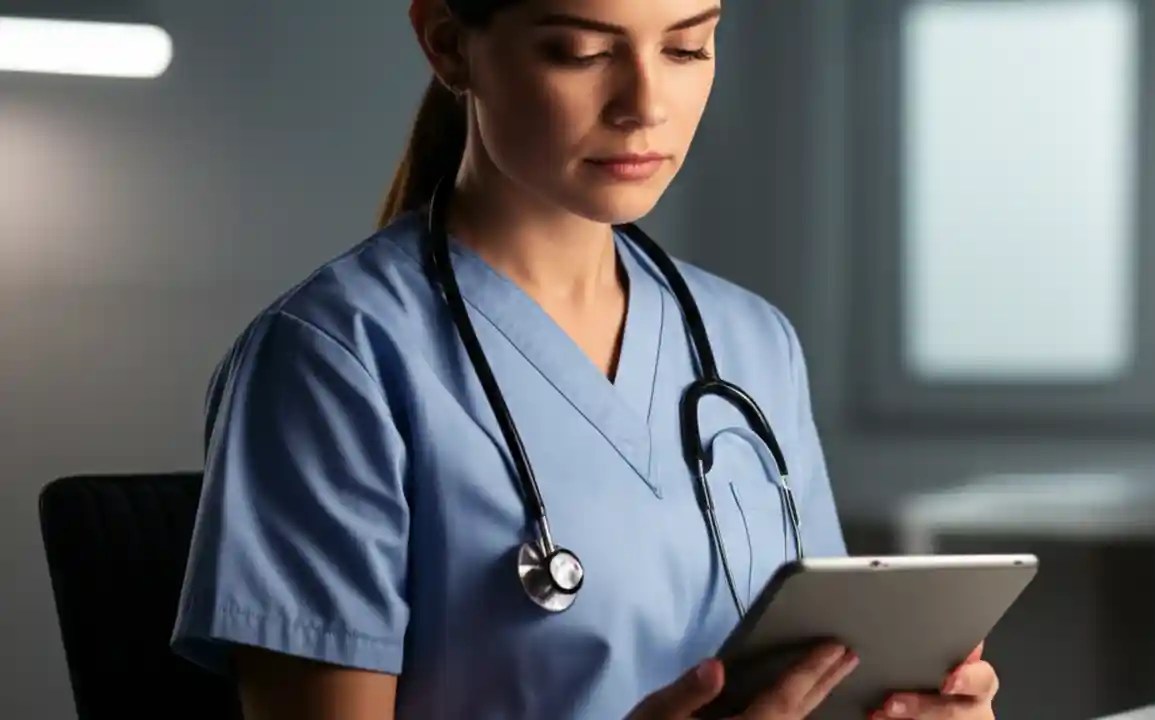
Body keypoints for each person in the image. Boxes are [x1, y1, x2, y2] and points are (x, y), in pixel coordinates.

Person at [170, 1, 1001, 718]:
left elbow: (825, 669)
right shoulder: (336, 360)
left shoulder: (754, 344)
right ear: (449, 43)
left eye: (686, 48)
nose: (645, 105)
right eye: (583, 53)